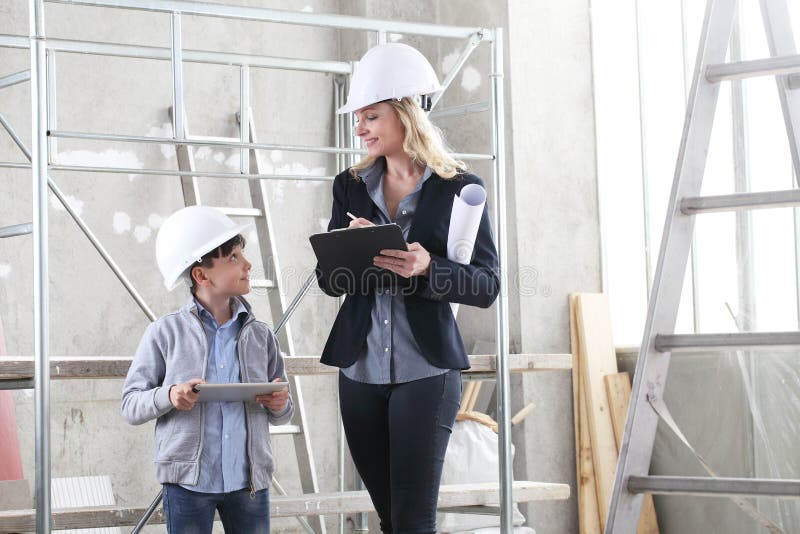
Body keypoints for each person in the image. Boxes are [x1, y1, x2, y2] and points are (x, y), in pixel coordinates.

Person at [316, 43, 500, 534]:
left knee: (414, 522)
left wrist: (428, 267)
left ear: (406, 113)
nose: (360, 129)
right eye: (358, 118)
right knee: (392, 519)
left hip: (426, 373)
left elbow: (486, 285)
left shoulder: (458, 187)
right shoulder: (349, 186)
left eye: (371, 116)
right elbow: (330, 283)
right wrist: (347, 249)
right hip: (359, 372)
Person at [121, 205, 293, 534]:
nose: (247, 264)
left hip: (249, 483)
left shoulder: (261, 335)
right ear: (201, 275)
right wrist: (170, 395)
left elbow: (284, 413)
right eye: (233, 258)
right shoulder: (164, 333)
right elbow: (131, 404)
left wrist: (279, 404)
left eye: (243, 255)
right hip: (187, 485)